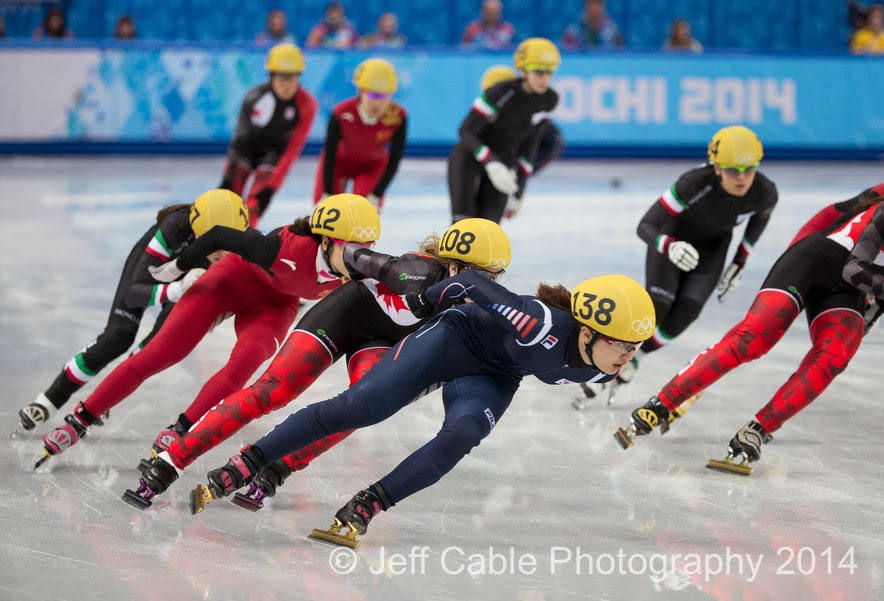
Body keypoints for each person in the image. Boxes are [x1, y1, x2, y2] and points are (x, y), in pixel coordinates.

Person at [194, 272, 655, 546]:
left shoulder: (600, 370)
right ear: (588, 331)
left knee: (464, 433)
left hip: (496, 374)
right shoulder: (535, 322)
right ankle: (247, 463)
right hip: (453, 339)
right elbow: (469, 282)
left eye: (635, 347)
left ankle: (368, 505)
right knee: (362, 407)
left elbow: (533, 366)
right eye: (621, 345)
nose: (627, 356)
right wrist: (421, 303)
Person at [123, 218, 512, 510]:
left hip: (385, 341)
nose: (488, 285)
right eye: (481, 275)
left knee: (361, 406)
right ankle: (175, 458)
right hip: (347, 314)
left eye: (495, 277)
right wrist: (330, 253)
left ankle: (282, 465)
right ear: (454, 268)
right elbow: (353, 255)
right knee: (273, 391)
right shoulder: (417, 272)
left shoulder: (482, 304)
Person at [35, 194, 380, 468]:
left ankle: (181, 429)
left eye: (366, 248)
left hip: (275, 305)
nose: (359, 256)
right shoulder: (283, 248)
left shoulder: (359, 270)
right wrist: (177, 268)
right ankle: (81, 417)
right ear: (325, 241)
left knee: (244, 364)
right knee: (159, 353)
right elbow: (217, 235)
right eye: (350, 247)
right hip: (231, 279)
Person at [614, 188, 884, 475]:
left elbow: (883, 291)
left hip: (849, 290)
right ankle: (662, 403)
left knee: (835, 356)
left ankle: (759, 428)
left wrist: (873, 313)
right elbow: (849, 259)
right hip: (815, 259)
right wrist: (795, 252)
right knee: (754, 338)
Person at [15, 189, 248, 436]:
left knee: (152, 350)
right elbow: (135, 293)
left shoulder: (242, 239)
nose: (225, 252)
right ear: (199, 233)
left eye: (229, 242)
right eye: (217, 244)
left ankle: (107, 393)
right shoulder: (174, 228)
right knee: (117, 338)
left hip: (188, 279)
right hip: (150, 273)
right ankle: (49, 399)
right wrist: (178, 288)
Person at [575, 125, 777, 407]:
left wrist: (740, 260)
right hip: (673, 236)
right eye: (733, 170)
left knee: (687, 313)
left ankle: (637, 358)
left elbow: (761, 217)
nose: (742, 177)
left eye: (749, 169)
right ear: (717, 167)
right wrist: (669, 245)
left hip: (713, 247)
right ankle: (603, 366)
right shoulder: (693, 184)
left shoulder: (764, 192)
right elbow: (645, 225)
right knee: (658, 307)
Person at [449, 38, 560, 224]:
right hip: (469, 158)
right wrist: (490, 161)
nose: (545, 79)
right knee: (463, 226)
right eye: (539, 72)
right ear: (523, 70)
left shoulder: (550, 100)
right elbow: (465, 130)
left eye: (550, 72)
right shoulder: (500, 92)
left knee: (490, 229)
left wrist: (519, 193)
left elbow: (530, 145)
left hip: (503, 160)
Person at [219, 43, 316, 228]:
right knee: (227, 198)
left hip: (275, 152)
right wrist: (228, 175)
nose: (287, 85)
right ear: (271, 76)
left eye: (292, 78)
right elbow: (240, 138)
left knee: (255, 204)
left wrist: (272, 185)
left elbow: (293, 148)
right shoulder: (254, 96)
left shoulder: (307, 104)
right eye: (282, 78)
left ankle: (245, 241)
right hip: (247, 146)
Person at [312, 58, 406, 214]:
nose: (378, 103)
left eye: (384, 97)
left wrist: (376, 195)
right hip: (338, 165)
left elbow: (394, 161)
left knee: (364, 214)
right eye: (373, 95)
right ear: (361, 91)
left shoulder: (398, 117)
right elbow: (329, 154)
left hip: (371, 167)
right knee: (324, 213)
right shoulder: (341, 113)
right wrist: (327, 193)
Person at [479, 64, 566, 219]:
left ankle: (502, 196)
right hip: (545, 140)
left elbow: (526, 156)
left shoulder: (520, 112)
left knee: (510, 171)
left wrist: (518, 194)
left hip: (549, 143)